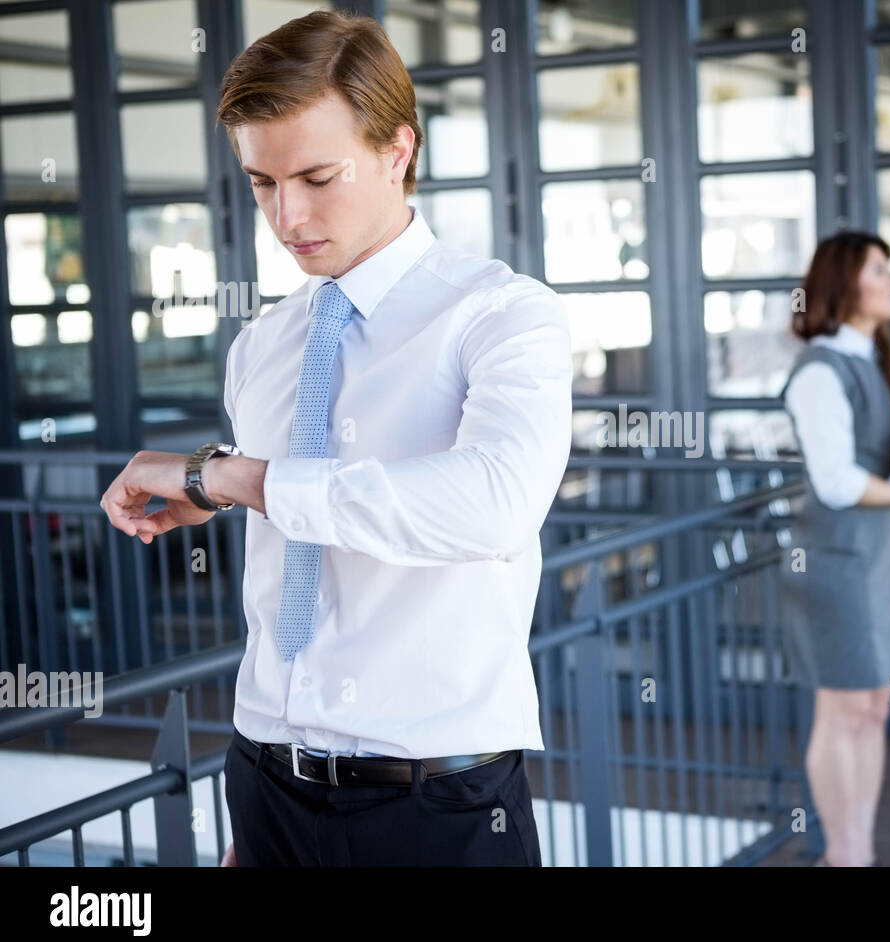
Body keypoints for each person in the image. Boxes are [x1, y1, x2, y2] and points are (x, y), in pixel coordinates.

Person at [98, 10, 572, 866]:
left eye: (318, 176)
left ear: (398, 150)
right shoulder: (263, 345)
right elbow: (290, 531)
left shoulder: (502, 315)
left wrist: (232, 477)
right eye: (262, 183)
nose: (288, 215)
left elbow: (494, 506)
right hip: (266, 778)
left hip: (437, 806)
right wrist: (214, 496)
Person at [778, 231, 890, 867]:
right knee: (843, 710)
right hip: (833, 564)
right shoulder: (820, 369)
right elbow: (838, 483)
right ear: (846, 284)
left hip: (873, 559)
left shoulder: (872, 357)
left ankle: (857, 852)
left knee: (873, 706)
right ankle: (844, 857)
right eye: (883, 270)